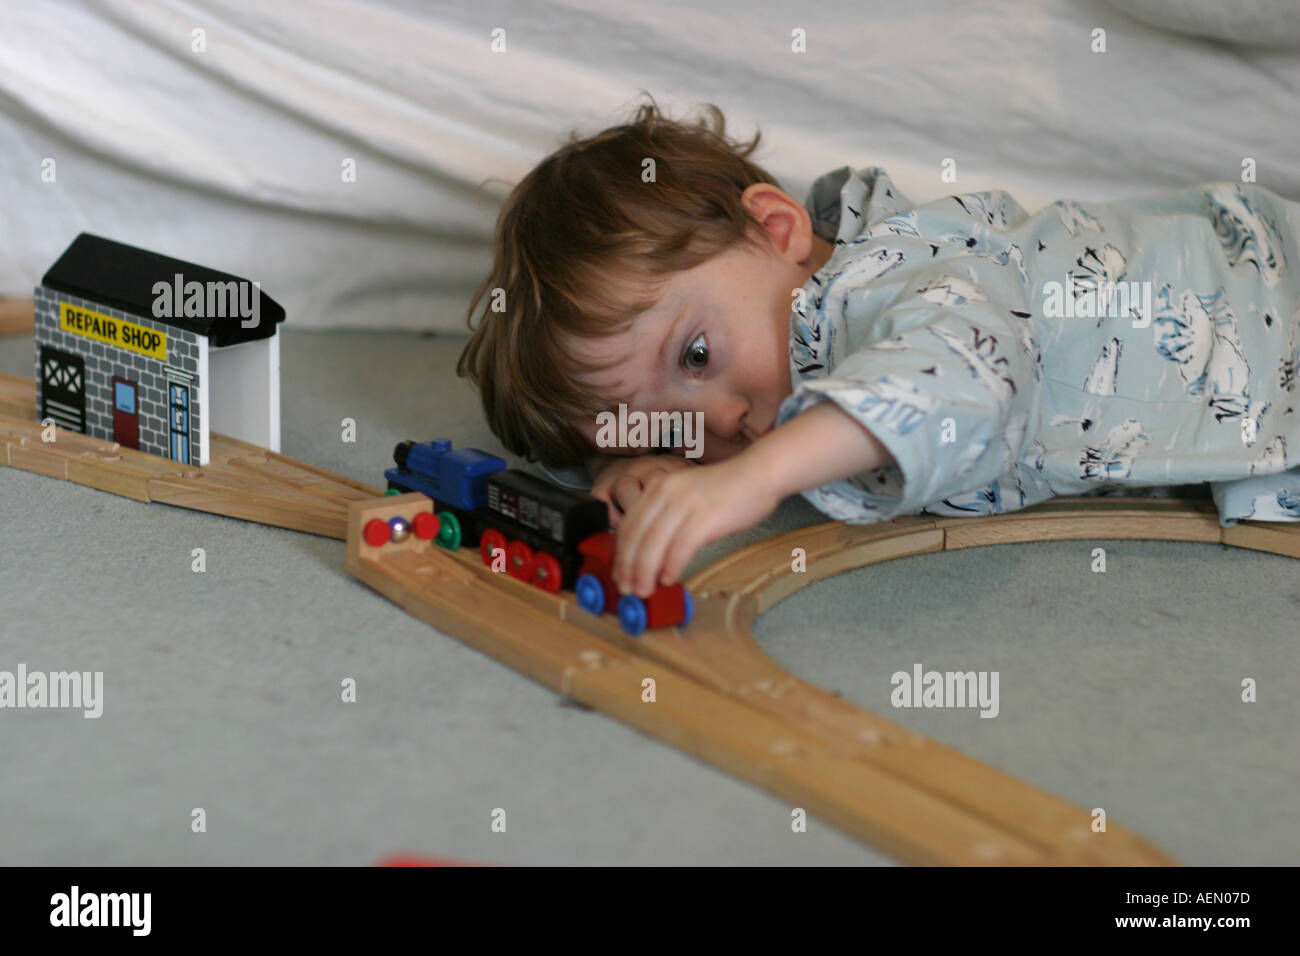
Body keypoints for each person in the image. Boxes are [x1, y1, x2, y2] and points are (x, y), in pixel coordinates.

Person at [457, 97, 1300, 600]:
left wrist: (756, 477)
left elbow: (961, 378)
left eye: (699, 355)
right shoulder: (768, 343)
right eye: (667, 425)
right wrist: (627, 469)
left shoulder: (900, 274)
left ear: (779, 229)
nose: (725, 421)